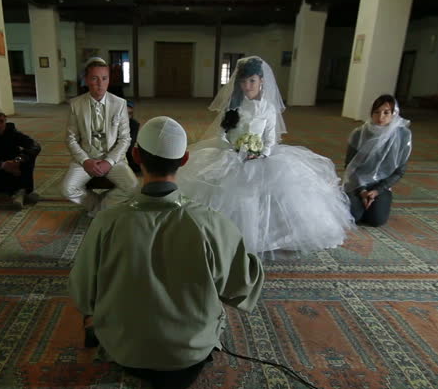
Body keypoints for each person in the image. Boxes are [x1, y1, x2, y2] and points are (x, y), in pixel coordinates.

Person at [69, 116, 265, 389]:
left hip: (125, 349)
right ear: (184, 159)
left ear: (135, 156)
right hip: (189, 353)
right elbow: (242, 287)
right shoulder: (210, 222)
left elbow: (82, 293)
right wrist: (238, 248)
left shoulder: (106, 221)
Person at [176, 56, 354, 254]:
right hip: (230, 154)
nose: (247, 86)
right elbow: (221, 134)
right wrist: (234, 148)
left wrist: (261, 152)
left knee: (271, 191)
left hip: (259, 157)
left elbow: (270, 139)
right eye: (243, 81)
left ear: (261, 80)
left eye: (251, 80)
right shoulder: (233, 106)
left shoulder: (269, 108)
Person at [62, 58, 138, 215]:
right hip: (86, 157)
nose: (100, 84)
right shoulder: (76, 104)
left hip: (113, 158)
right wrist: (85, 160)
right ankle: (99, 207)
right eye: (95, 78)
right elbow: (71, 138)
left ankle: (98, 210)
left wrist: (109, 161)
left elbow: (125, 139)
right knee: (67, 189)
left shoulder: (119, 103)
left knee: (133, 187)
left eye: (104, 78)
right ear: (87, 79)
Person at [343, 94, 412, 227]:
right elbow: (350, 166)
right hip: (357, 184)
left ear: (394, 113)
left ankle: (374, 202)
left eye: (386, 113)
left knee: (377, 220)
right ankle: (358, 201)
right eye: (376, 112)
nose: (381, 117)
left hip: (381, 185)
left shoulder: (403, 135)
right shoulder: (359, 134)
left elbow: (399, 171)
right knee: (353, 217)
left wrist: (377, 190)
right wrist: (362, 190)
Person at [124, 100, 141, 174]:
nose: (128, 116)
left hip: (126, 149)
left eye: (130, 113)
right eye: (125, 113)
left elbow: (131, 141)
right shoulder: (113, 121)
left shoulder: (134, 124)